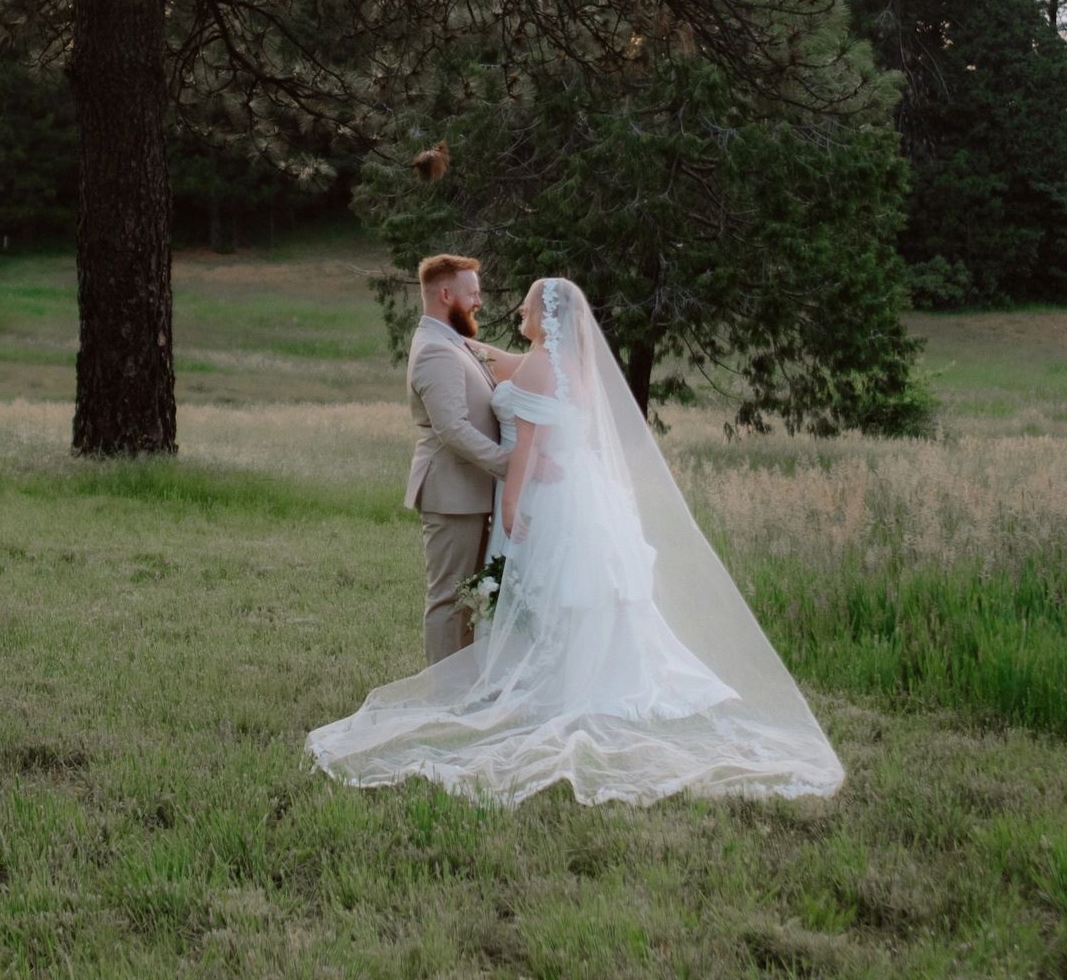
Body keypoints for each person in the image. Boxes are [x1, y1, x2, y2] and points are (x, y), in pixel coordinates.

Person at [310, 276, 844, 805]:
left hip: (539, 493)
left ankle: (534, 687)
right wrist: (461, 341)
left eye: (528, 305)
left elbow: (527, 446)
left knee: (539, 586)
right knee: (570, 590)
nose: (518, 308)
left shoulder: (542, 365)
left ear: (549, 316)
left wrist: (514, 502)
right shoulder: (566, 365)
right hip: (578, 493)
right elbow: (505, 362)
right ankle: (571, 677)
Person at [402, 254, 510, 665]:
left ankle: (461, 688)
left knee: (469, 596)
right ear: (446, 295)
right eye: (473, 294)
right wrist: (510, 465)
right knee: (449, 598)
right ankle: (443, 697)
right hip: (450, 492)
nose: (478, 301)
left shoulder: (452, 341)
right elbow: (452, 429)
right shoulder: (435, 350)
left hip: (469, 491)